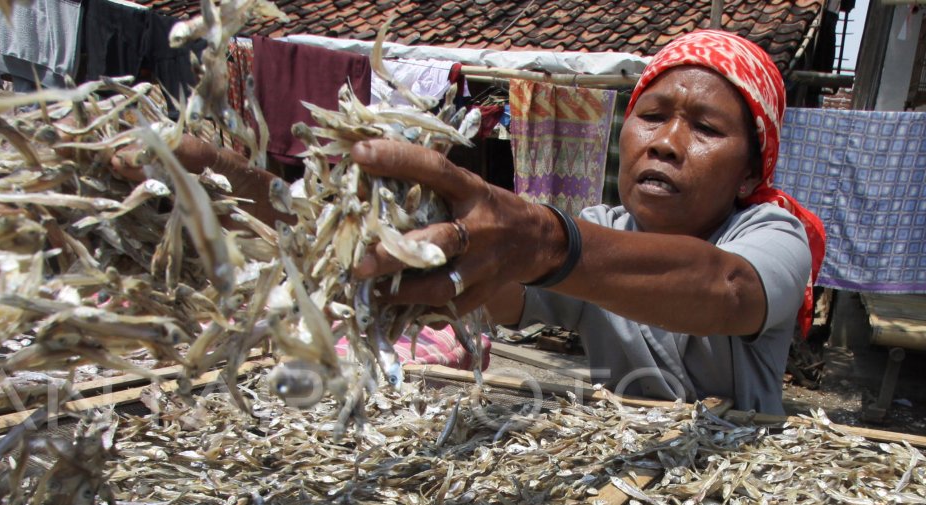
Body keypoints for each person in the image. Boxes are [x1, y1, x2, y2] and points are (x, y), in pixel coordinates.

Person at [350, 29, 826, 414]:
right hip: (623, 458)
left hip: (734, 478)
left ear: (749, 172)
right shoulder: (603, 229)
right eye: (653, 116)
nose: (665, 142)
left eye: (705, 128)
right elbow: (512, 293)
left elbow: (726, 289)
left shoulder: (774, 233)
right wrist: (443, 244)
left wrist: (541, 240)